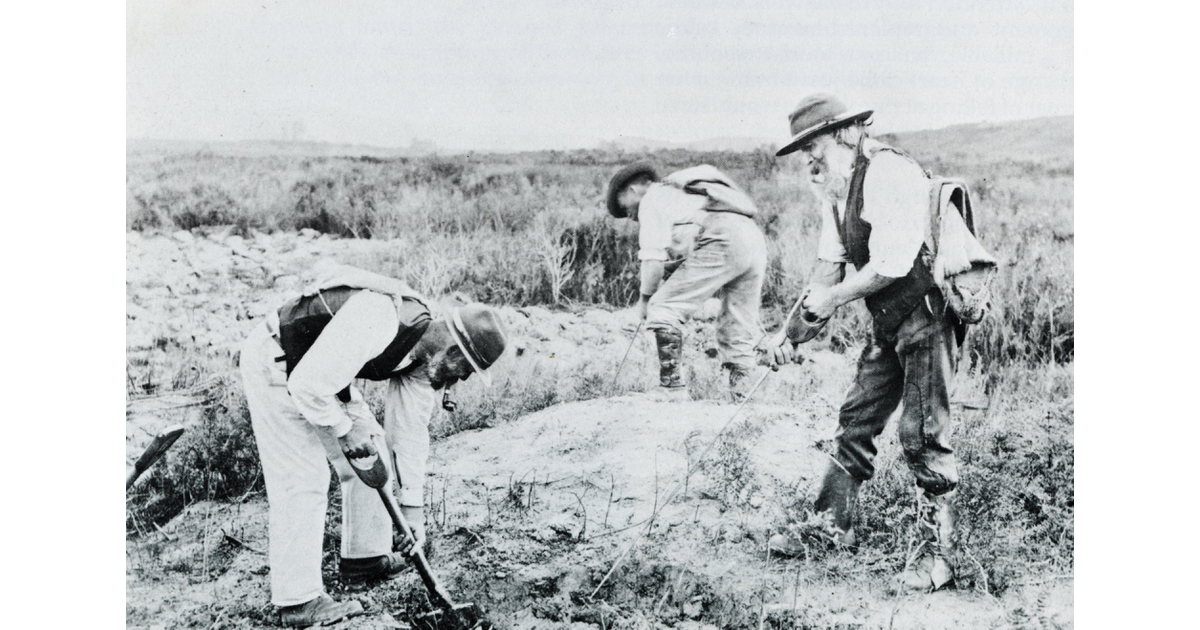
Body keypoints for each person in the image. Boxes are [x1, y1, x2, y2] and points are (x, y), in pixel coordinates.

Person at [765, 94, 962, 592]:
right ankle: (831, 527)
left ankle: (937, 557)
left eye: (816, 144)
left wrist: (833, 299)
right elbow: (827, 267)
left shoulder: (887, 172)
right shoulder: (836, 188)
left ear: (848, 134)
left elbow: (892, 264)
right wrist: (793, 334)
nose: (809, 158)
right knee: (856, 420)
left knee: (921, 434)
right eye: (803, 149)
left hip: (926, 315)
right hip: (890, 321)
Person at [239, 264, 507, 626]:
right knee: (303, 478)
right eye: (467, 370)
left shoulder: (424, 364)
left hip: (324, 378)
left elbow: (410, 435)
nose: (459, 380)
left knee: (373, 449)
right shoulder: (382, 315)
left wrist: (413, 512)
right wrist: (343, 428)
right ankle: (298, 601)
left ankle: (364, 559)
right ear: (454, 350)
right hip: (278, 363)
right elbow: (306, 386)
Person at [606, 163, 768, 401]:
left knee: (663, 308)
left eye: (625, 209)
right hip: (752, 239)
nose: (630, 217)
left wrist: (645, 299)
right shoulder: (680, 192)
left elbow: (652, 258)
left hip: (722, 238)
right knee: (738, 324)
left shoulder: (652, 198)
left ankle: (671, 389)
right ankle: (745, 399)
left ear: (631, 190)